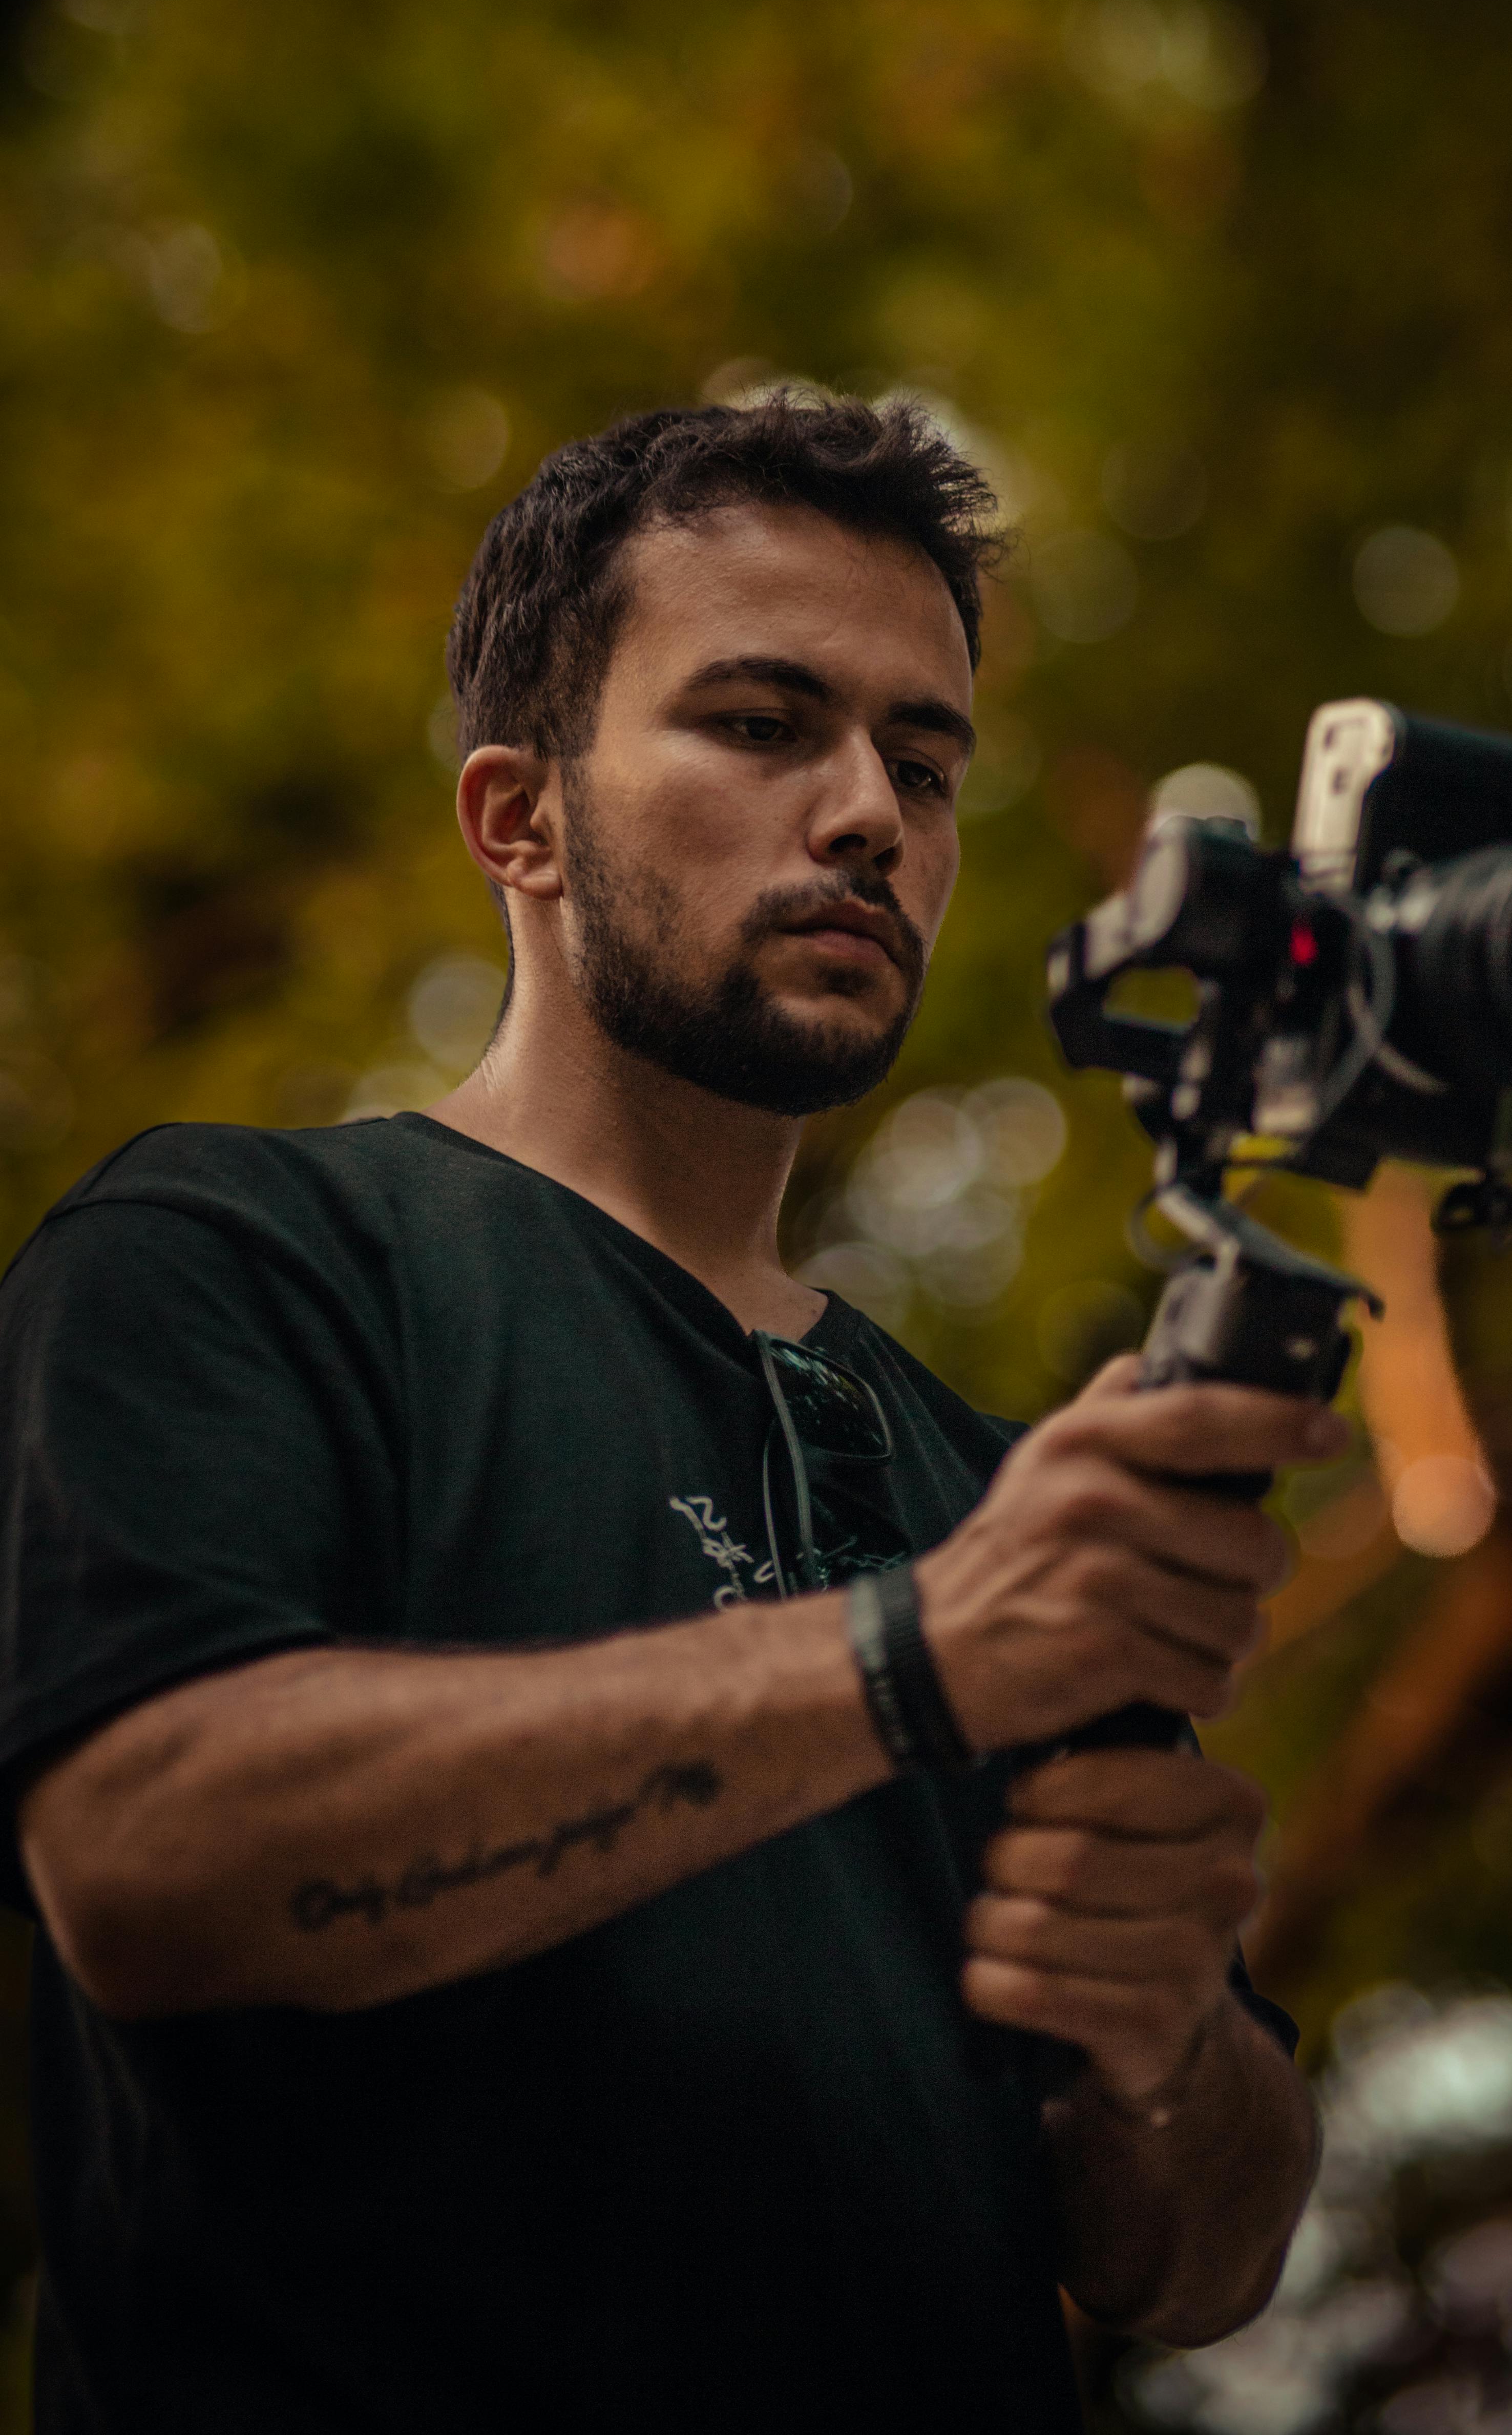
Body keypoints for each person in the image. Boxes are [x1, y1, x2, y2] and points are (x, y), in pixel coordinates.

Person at [0, 395, 1339, 2434]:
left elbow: (1198, 2265)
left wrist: (1157, 2037)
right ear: (517, 819)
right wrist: (904, 1661)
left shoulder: (988, 1486)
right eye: (757, 724)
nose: (871, 816)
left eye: (920, 761)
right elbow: (142, 1858)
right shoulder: (234, 1253)